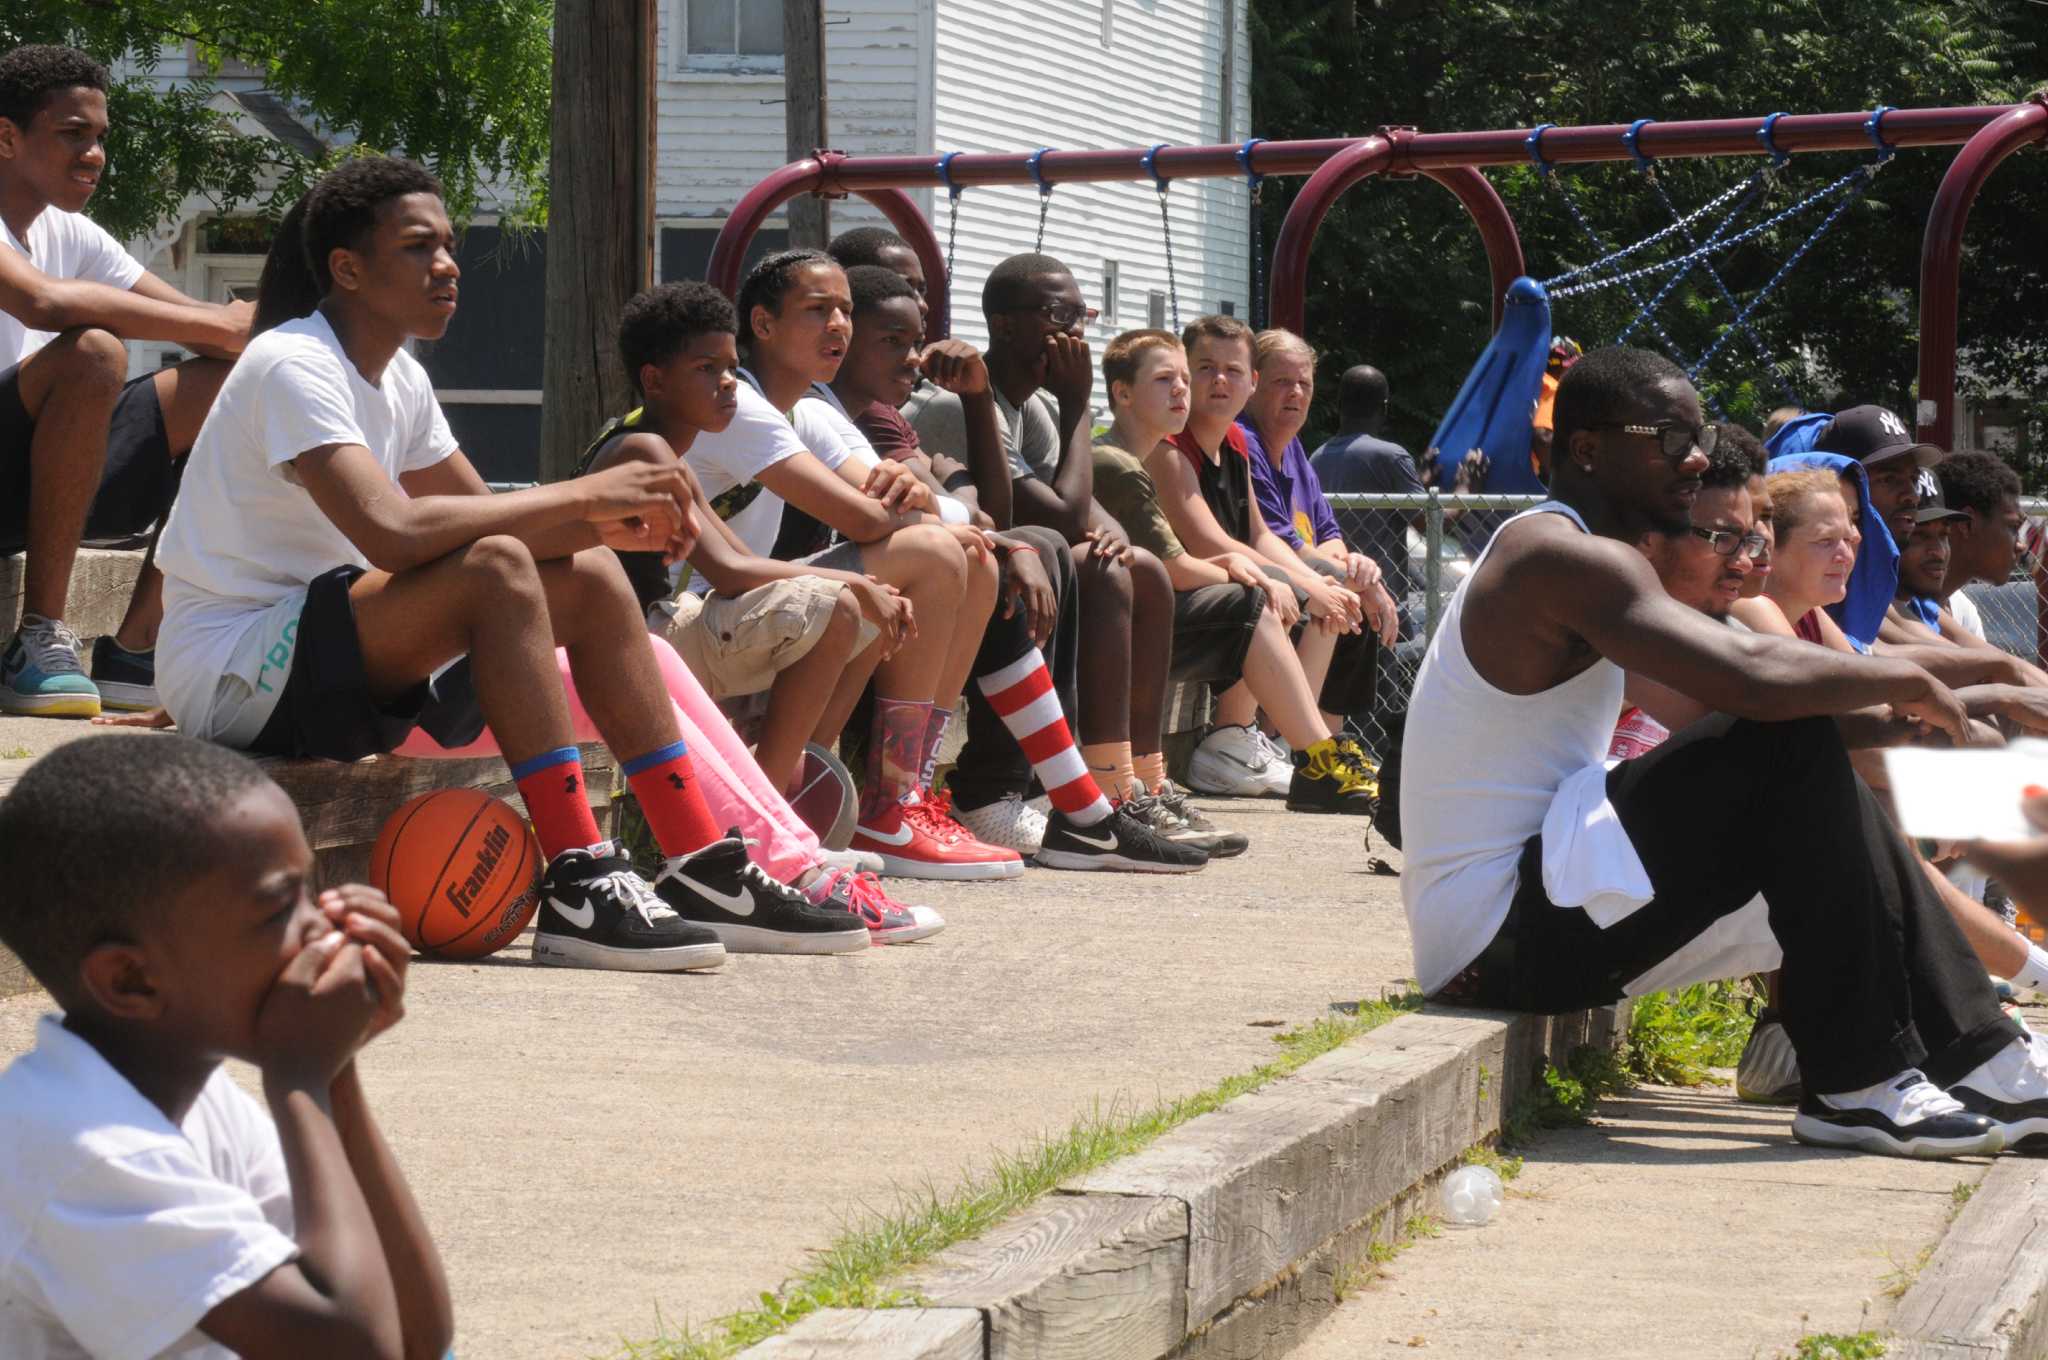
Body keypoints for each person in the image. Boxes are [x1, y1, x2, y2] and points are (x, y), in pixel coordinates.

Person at [153, 156, 862, 970]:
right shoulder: (292, 362)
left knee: (592, 577)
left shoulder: (399, 377)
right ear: (347, 268)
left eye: (450, 245)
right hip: (235, 665)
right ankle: (578, 878)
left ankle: (702, 865)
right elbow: (396, 532)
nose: (449, 264)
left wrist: (607, 523)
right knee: (495, 567)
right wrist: (589, 494)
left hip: (329, 650)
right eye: (420, 247)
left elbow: (493, 521)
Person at [1402, 344, 2048, 1159]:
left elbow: (1724, 707)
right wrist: (1919, 684)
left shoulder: (1601, 570)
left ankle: (1974, 1055)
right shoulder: (1556, 555)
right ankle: (1863, 1082)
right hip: (1497, 937)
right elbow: (1749, 678)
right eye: (1669, 438)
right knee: (1794, 735)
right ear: (1588, 449)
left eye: (1695, 435)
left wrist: (1943, 714)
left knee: (1814, 768)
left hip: (1547, 905)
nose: (1698, 455)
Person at [0, 734, 455, 1358]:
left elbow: (418, 1339)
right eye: (277, 910)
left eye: (312, 886)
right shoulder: (79, 1149)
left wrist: (336, 1069)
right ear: (131, 980)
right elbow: (355, 1347)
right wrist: (301, 1080)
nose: (322, 925)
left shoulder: (196, 1095)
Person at [569, 279, 945, 945]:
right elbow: (734, 574)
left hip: (658, 636)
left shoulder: (667, 447)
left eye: (730, 368)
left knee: (844, 603)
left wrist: (853, 592)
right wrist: (851, 588)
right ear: (655, 380)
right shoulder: (645, 449)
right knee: (834, 604)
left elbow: (739, 565)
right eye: (706, 371)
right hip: (629, 647)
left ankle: (780, 825)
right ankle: (761, 842)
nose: (727, 386)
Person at [827, 265, 1207, 869]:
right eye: (1060, 318)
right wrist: (1076, 404)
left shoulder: (973, 409)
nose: (914, 358)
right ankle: (997, 794)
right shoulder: (923, 403)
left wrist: (985, 516)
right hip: (844, 595)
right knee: (1025, 548)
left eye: (917, 335)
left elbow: (1045, 513)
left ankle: (1110, 788)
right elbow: (1035, 515)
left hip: (902, 592)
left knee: (1113, 563)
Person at [686, 248, 1021, 880]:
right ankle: (875, 805)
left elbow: (953, 519)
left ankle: (904, 795)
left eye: (844, 309)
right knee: (925, 554)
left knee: (971, 556)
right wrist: (918, 504)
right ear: (761, 325)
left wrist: (923, 498)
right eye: (818, 310)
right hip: (694, 614)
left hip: (752, 605)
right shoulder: (739, 406)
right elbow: (867, 517)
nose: (839, 324)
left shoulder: (810, 409)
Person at [0, 44, 254, 718]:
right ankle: (39, 639)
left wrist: (261, 328)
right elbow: (42, 305)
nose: (94, 154)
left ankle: (139, 648)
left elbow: (203, 327)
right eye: (72, 134)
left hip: (48, 476)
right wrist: (220, 322)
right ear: (6, 136)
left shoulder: (73, 233)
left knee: (237, 381)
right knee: (94, 353)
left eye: (100, 137)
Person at [904, 252, 1186, 835]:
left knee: (1145, 570)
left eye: (1082, 313)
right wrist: (1080, 401)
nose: (1076, 330)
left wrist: (1103, 523)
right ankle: (1076, 784)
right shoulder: (957, 400)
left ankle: (1138, 778)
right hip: (961, 575)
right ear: (1004, 325)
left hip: (1009, 556)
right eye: (1060, 313)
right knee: (1089, 564)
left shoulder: (1029, 404)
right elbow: (1053, 514)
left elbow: (1082, 509)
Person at [1144, 315, 1384, 812]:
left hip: (1211, 585)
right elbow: (1208, 541)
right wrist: (1293, 581)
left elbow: (1258, 534)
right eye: (1205, 368)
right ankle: (1233, 738)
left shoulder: (1233, 442)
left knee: (1326, 601)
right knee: (1264, 597)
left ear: (1248, 381)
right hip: (1165, 601)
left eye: (1233, 370)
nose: (1220, 381)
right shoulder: (1170, 449)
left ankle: (1296, 750)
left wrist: (1315, 583)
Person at [1239, 329, 1395, 737]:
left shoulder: (1292, 447)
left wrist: (1353, 567)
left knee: (1350, 598)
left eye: (1304, 383)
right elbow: (1281, 543)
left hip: (1296, 577)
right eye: (1282, 382)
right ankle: (1293, 742)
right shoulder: (1245, 441)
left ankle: (1329, 740)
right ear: (1253, 384)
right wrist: (1346, 576)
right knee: (1337, 599)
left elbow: (1327, 532)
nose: (1295, 393)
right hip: (1258, 580)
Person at [1309, 363, 1423, 611]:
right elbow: (1429, 522)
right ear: (1384, 408)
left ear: (1338, 406)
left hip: (1335, 586)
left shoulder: (1316, 458)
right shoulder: (1391, 456)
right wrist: (1466, 486)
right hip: (1381, 593)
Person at [1935, 450, 2025, 645]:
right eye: (2013, 528)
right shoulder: (1897, 603)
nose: (2021, 545)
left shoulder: (1962, 610)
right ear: (1967, 524)